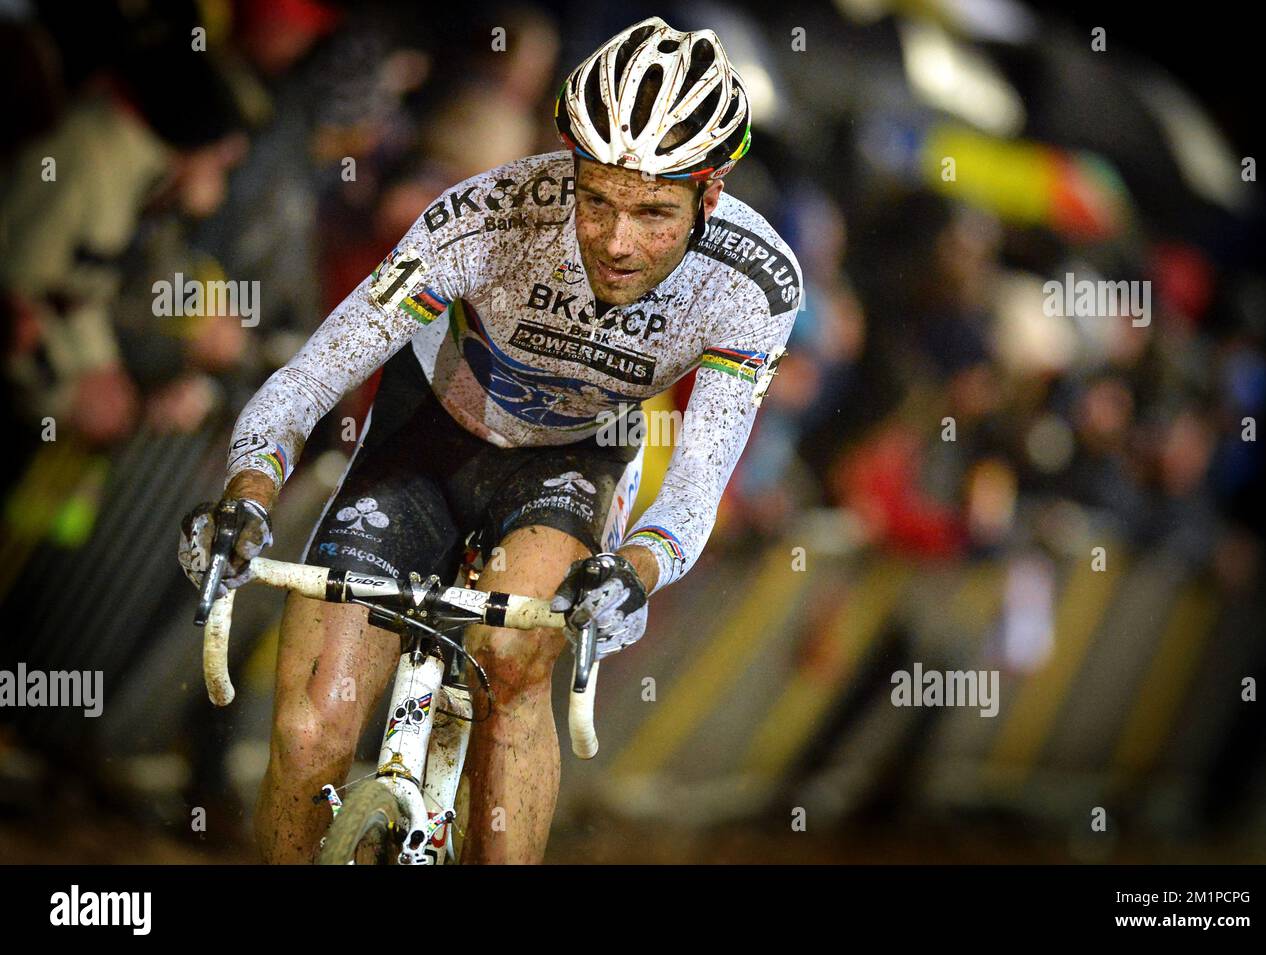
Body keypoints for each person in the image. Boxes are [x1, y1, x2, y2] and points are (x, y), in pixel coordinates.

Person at [178, 16, 802, 864]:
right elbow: (311, 376)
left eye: (654, 212)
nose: (617, 242)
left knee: (510, 662)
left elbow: (697, 483)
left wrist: (633, 571)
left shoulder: (752, 285)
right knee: (310, 731)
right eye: (596, 200)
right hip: (424, 442)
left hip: (571, 463)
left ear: (711, 196)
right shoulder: (483, 217)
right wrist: (246, 496)